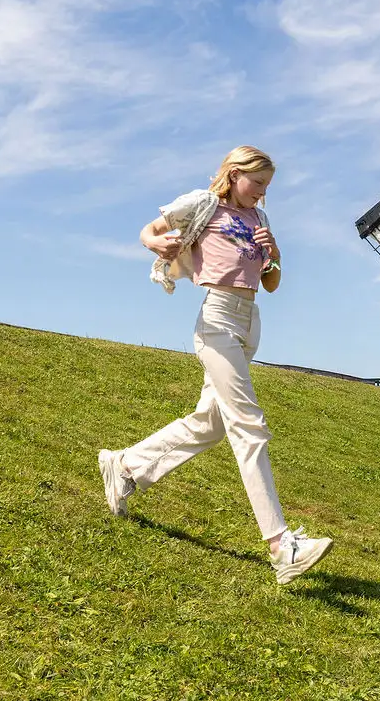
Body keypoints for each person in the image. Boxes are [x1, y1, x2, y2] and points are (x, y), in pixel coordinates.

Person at [98, 146, 333, 585]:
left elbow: (272, 282)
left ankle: (126, 467)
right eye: (257, 183)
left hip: (250, 321)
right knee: (248, 425)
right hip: (217, 321)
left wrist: (275, 253)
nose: (262, 193)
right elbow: (149, 230)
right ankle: (283, 547)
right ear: (234, 173)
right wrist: (155, 242)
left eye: (267, 186)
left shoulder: (259, 221)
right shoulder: (204, 204)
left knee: (210, 424)